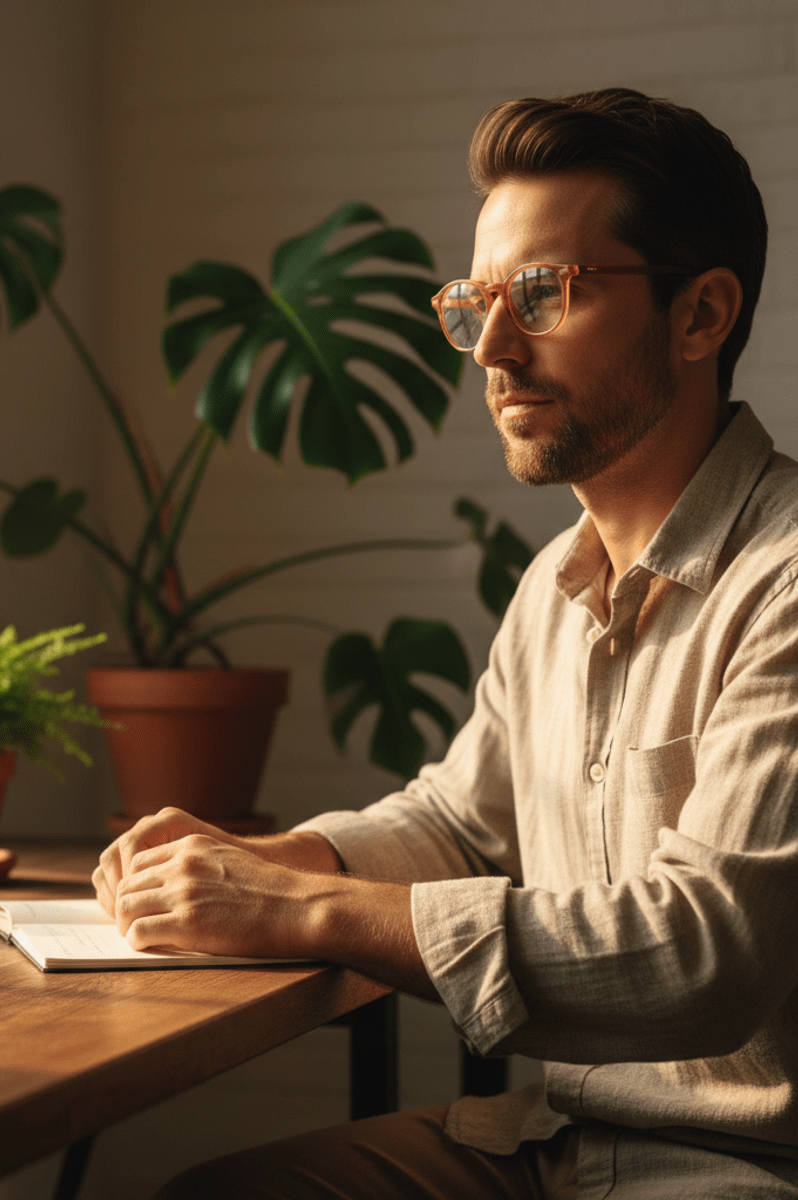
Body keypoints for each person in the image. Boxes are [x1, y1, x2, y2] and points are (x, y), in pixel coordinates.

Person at [93, 88, 798, 1198]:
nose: (495, 348)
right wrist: (283, 857)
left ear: (701, 316)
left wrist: (303, 910)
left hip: (742, 1167)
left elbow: (702, 956)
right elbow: (460, 820)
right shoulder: (553, 587)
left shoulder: (787, 578)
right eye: (477, 302)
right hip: (548, 1140)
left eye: (542, 295)